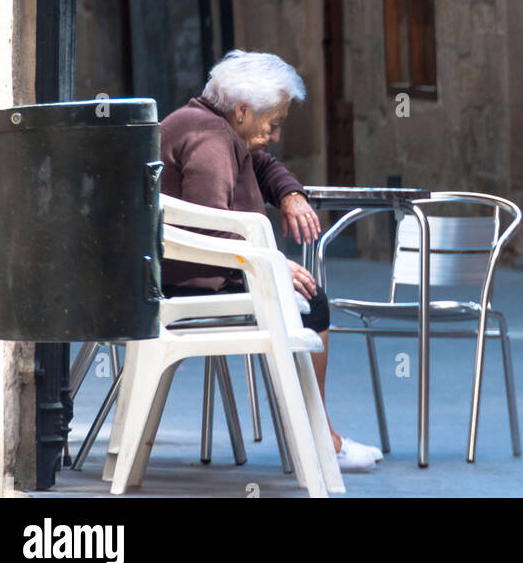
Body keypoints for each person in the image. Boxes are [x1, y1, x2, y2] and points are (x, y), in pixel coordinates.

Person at [159, 49, 381, 473]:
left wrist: (289, 193)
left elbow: (262, 164)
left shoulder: (206, 123)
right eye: (273, 122)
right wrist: (272, 265)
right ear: (242, 110)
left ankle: (318, 435)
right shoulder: (210, 141)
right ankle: (320, 439)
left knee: (302, 294)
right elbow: (210, 228)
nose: (276, 134)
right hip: (193, 281)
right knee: (312, 300)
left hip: (178, 273)